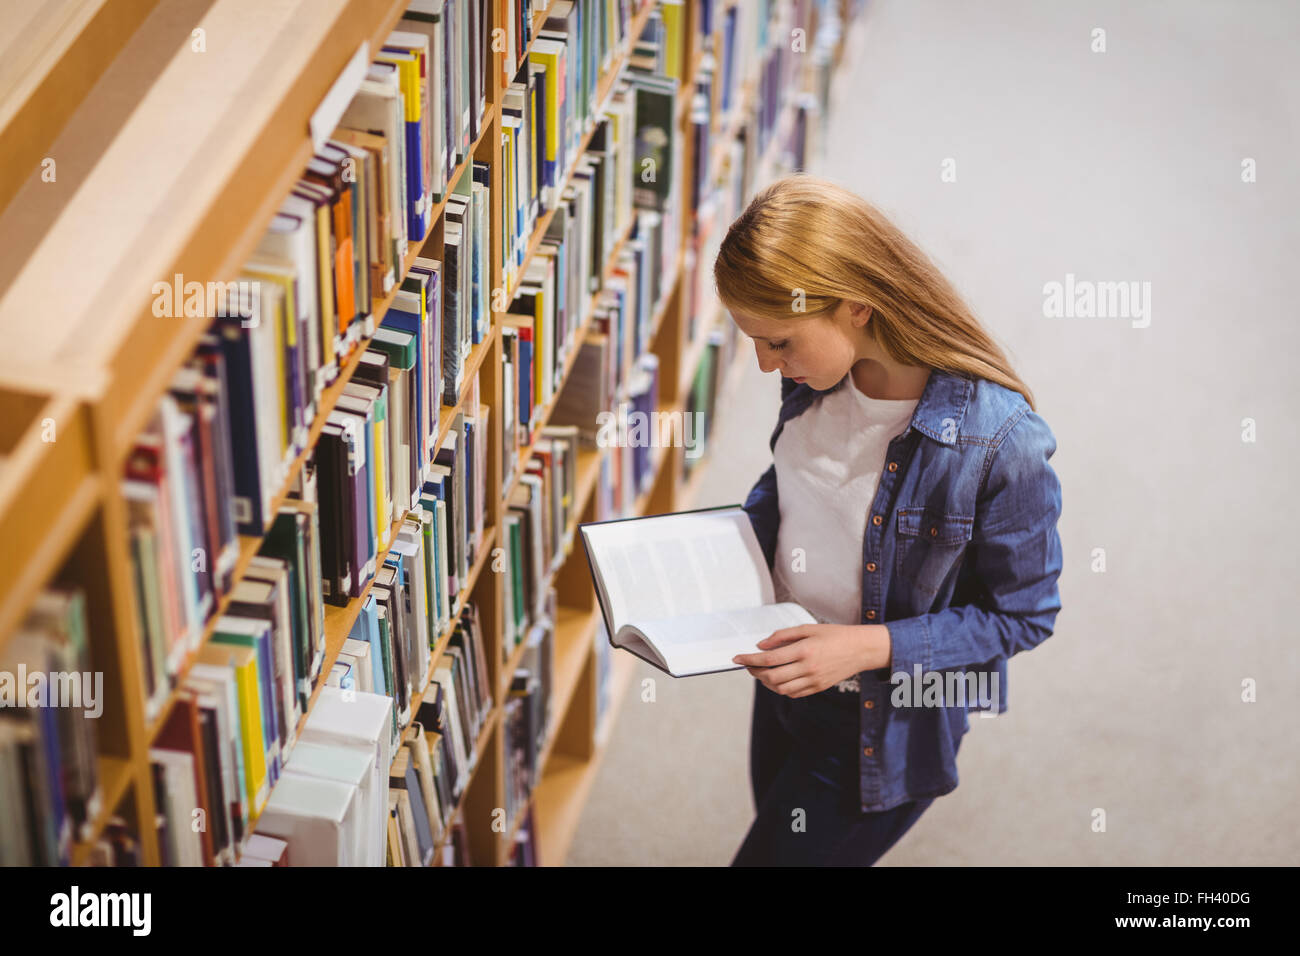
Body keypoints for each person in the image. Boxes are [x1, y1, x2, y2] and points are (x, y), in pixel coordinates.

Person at [716, 174, 1064, 866]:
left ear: (857, 307)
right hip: (787, 683)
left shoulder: (1000, 444)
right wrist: (721, 545)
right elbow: (794, 482)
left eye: (777, 341)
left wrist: (866, 646)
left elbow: (1025, 617)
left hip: (877, 723)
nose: (763, 365)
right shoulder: (815, 375)